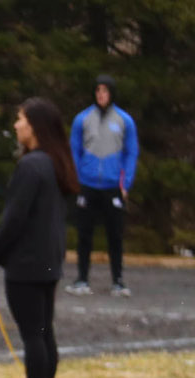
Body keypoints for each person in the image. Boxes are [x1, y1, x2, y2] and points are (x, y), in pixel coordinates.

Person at [0, 98, 75, 378]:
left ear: (34, 125)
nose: (16, 125)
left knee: (32, 334)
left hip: (27, 262)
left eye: (20, 119)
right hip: (49, 259)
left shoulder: (31, 166)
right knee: (45, 330)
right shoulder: (54, 163)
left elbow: (14, 219)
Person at [68, 75, 138, 297]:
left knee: (115, 235)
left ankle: (118, 280)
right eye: (98, 90)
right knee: (84, 234)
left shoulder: (125, 121)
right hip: (87, 184)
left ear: (112, 93)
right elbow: (74, 151)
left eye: (105, 90)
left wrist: (125, 183)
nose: (101, 94)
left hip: (112, 186)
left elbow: (131, 153)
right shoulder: (82, 119)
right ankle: (82, 279)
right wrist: (77, 179)